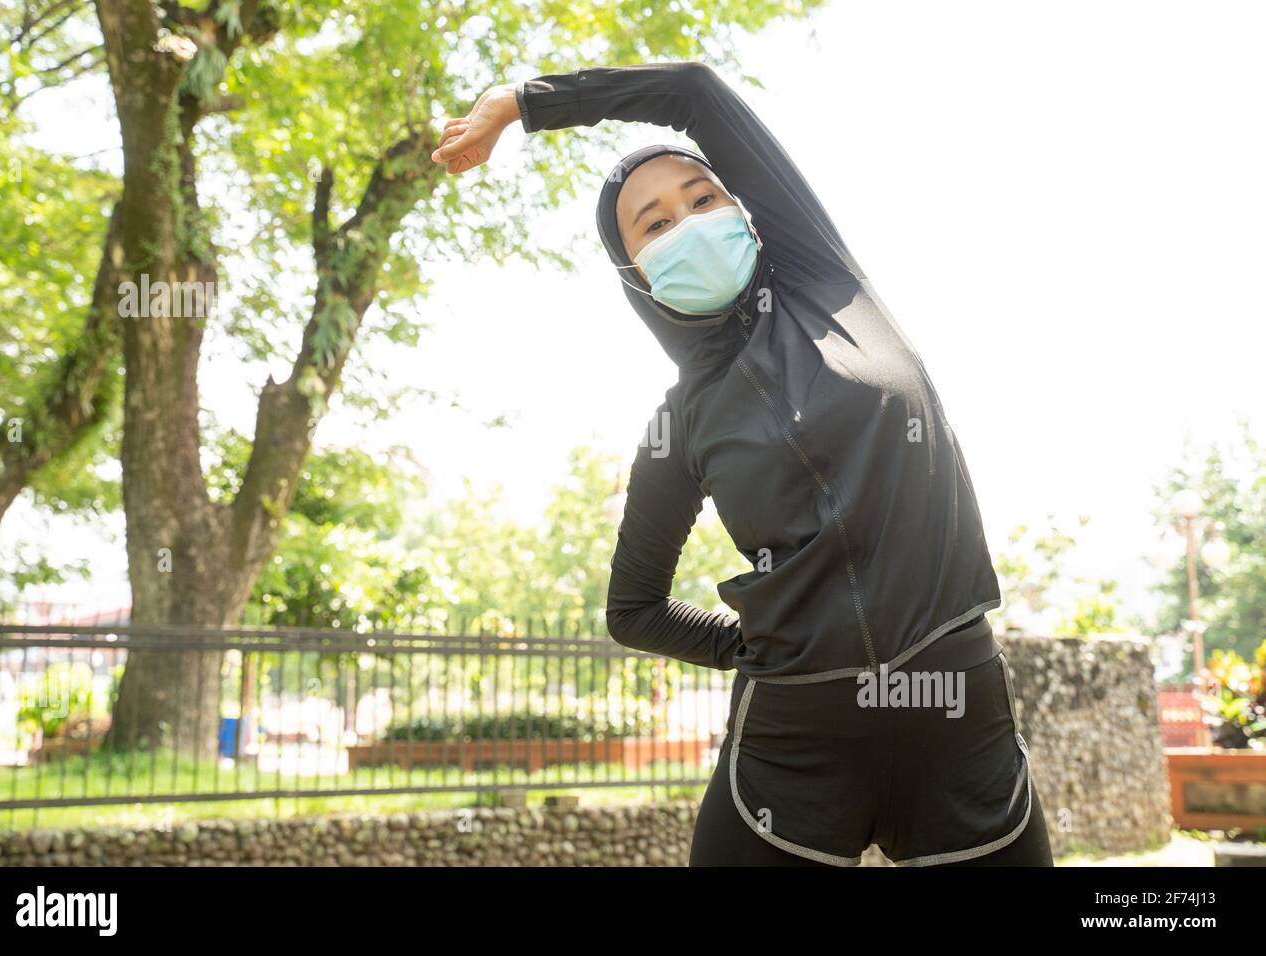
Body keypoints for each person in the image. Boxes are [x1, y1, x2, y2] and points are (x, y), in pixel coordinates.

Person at [430, 61, 1054, 867]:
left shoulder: (830, 284)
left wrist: (518, 104)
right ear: (634, 273)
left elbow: (692, 91)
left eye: (702, 199)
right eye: (652, 225)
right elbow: (634, 610)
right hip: (790, 750)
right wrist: (765, 646)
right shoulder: (679, 424)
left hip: (957, 724)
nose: (686, 223)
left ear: (745, 213)